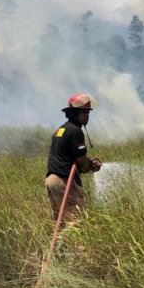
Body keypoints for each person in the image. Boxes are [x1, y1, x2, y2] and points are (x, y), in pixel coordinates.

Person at [45, 94, 103, 222]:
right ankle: (72, 243)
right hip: (64, 180)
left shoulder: (61, 130)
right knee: (75, 222)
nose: (87, 115)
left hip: (51, 180)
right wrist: (90, 166)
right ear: (73, 113)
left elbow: (68, 155)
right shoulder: (76, 131)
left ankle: (61, 242)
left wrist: (86, 164)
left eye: (88, 112)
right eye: (83, 112)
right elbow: (81, 159)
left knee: (59, 222)